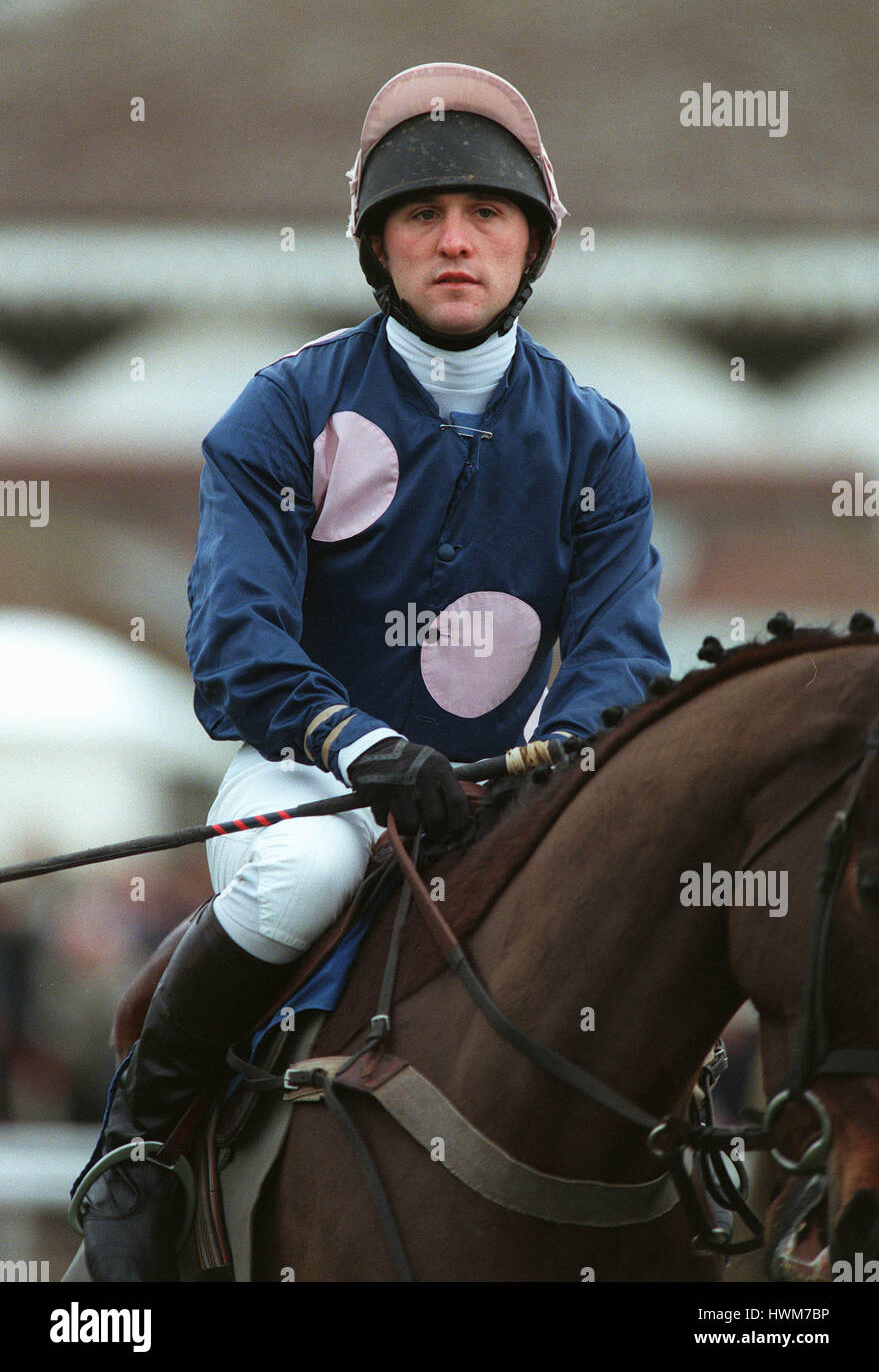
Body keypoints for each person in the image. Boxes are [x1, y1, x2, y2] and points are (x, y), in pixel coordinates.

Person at [77, 62, 671, 1281]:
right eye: (421, 216)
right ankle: (139, 1146)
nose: (456, 241)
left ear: (532, 245)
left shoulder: (595, 436)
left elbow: (621, 653)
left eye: (488, 215)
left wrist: (558, 758)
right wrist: (359, 744)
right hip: (315, 785)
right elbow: (239, 641)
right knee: (299, 876)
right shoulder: (280, 411)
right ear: (378, 247)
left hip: (507, 795)